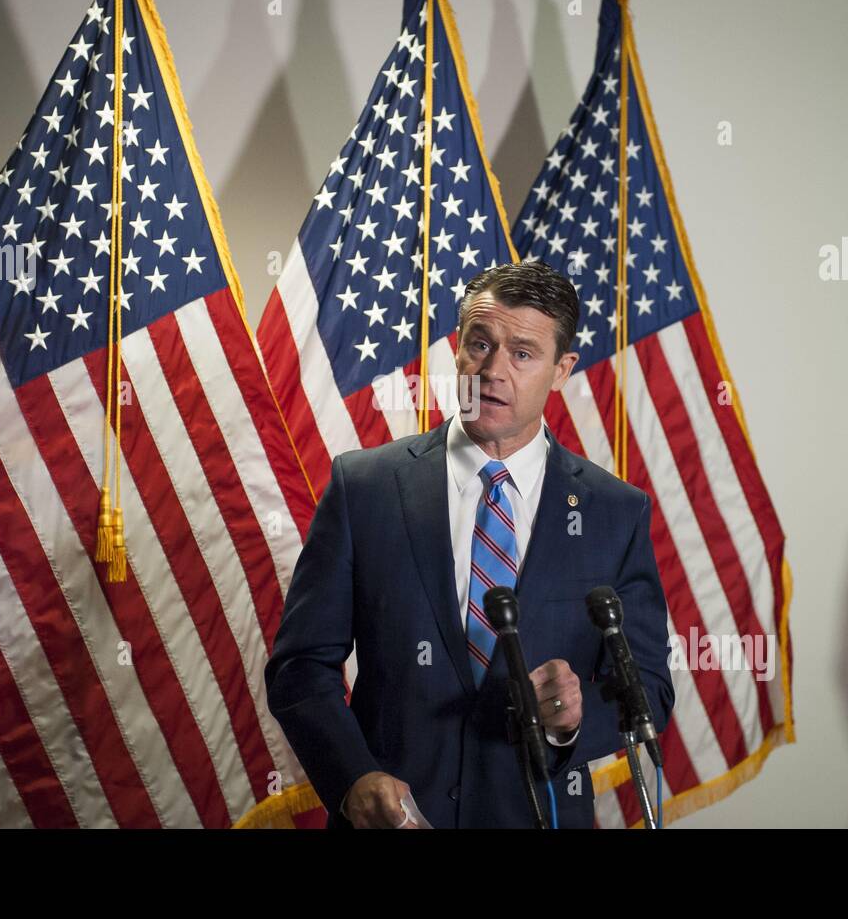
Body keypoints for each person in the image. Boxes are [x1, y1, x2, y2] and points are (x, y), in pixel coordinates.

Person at [265, 260, 674, 828]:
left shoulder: (615, 513)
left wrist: (573, 719)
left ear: (562, 369)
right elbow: (300, 666)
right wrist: (353, 777)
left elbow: (650, 687)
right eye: (479, 344)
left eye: (523, 353)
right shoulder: (365, 487)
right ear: (457, 350)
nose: (493, 370)